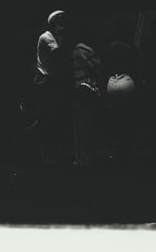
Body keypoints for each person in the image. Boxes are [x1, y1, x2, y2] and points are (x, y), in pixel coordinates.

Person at [31, 10, 72, 163]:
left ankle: (51, 151)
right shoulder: (47, 37)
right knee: (46, 116)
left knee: (52, 116)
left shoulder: (57, 38)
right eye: (61, 23)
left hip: (51, 80)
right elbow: (59, 55)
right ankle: (43, 151)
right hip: (44, 80)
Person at [71, 37, 106, 168]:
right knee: (87, 124)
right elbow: (99, 67)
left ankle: (81, 158)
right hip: (86, 89)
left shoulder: (76, 49)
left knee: (81, 125)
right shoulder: (83, 49)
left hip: (80, 89)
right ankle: (86, 159)